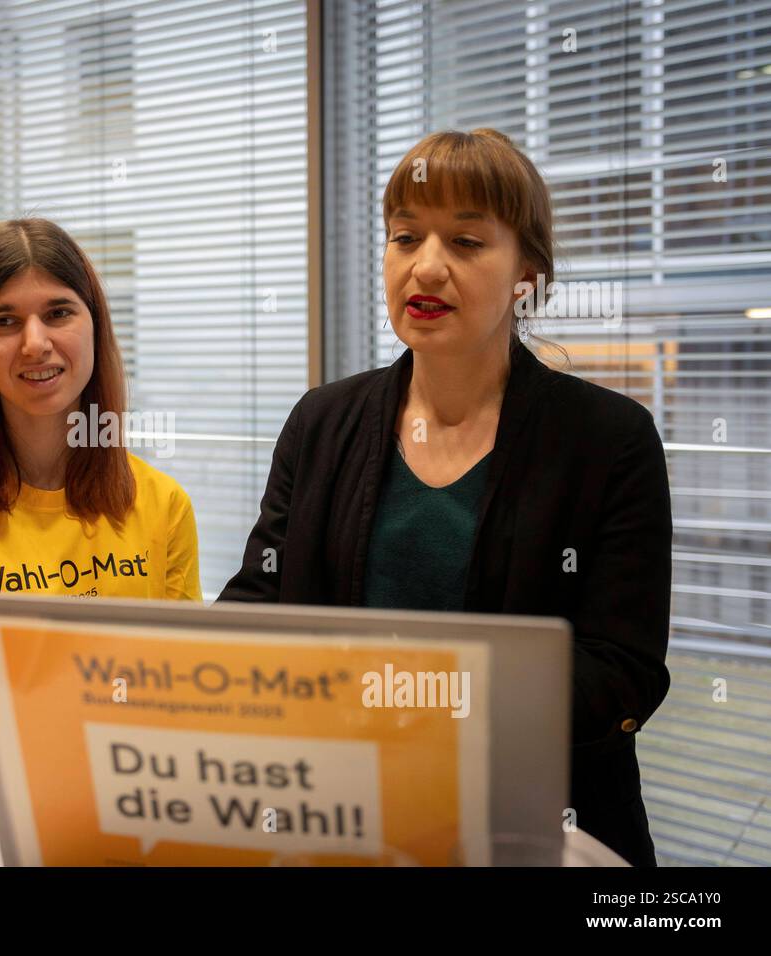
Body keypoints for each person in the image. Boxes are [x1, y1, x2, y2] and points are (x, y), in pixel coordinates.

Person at [219, 129, 672, 867]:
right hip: (341, 817)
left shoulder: (608, 440)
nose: (425, 267)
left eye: (465, 242)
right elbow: (257, 605)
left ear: (526, 272)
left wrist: (417, 697)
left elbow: (621, 672)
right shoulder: (322, 420)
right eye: (405, 238)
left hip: (532, 828)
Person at [0, 219, 202, 705]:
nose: (35, 343)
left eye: (58, 313)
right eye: (5, 320)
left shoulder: (165, 505)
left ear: (94, 326)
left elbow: (174, 686)